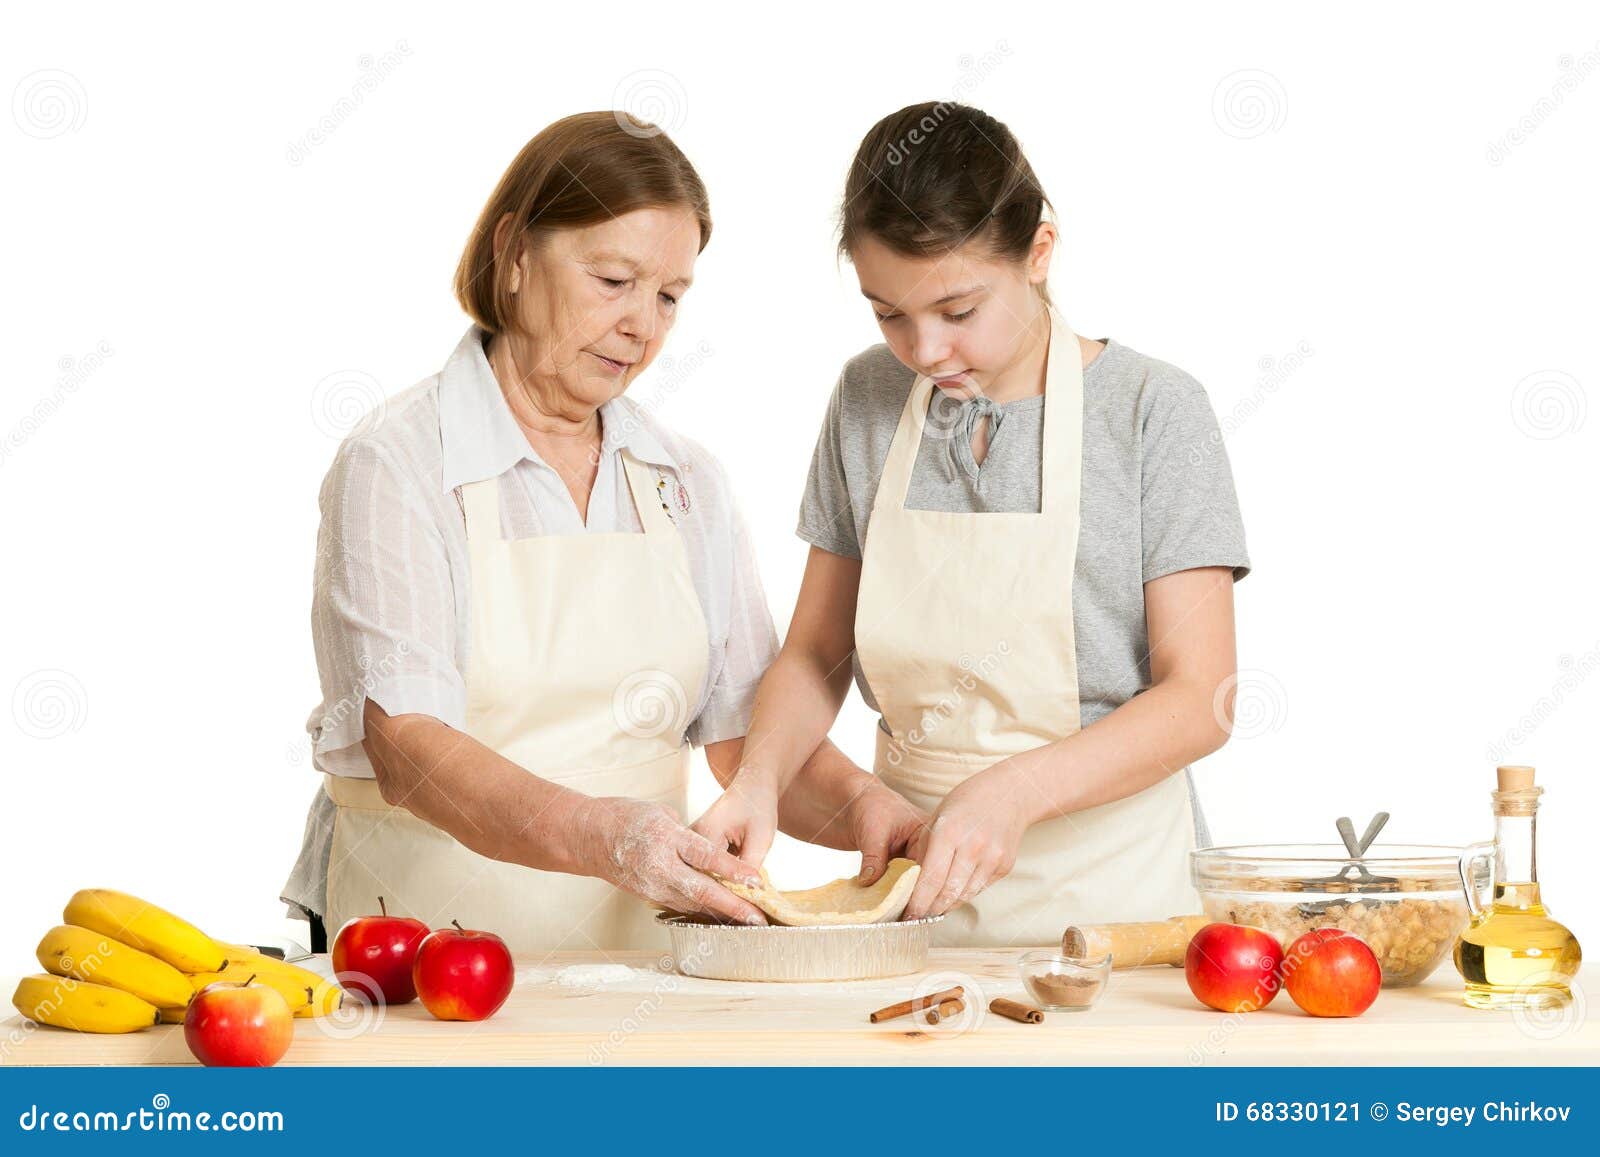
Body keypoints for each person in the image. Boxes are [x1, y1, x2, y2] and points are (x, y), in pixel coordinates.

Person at [278, 112, 918, 952]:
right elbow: (410, 750)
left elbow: (743, 734)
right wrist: (604, 837)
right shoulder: (396, 464)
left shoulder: (685, 480)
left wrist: (864, 806)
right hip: (422, 955)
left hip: (637, 962)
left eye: (668, 297)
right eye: (613, 280)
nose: (643, 327)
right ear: (513, 253)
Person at [694, 102, 1251, 946]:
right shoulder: (867, 400)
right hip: (914, 898)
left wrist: (1018, 791)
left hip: (1115, 906)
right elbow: (815, 652)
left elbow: (1200, 698)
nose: (923, 350)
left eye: (958, 311)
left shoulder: (1152, 412)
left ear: (1039, 251)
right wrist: (761, 781)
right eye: (889, 313)